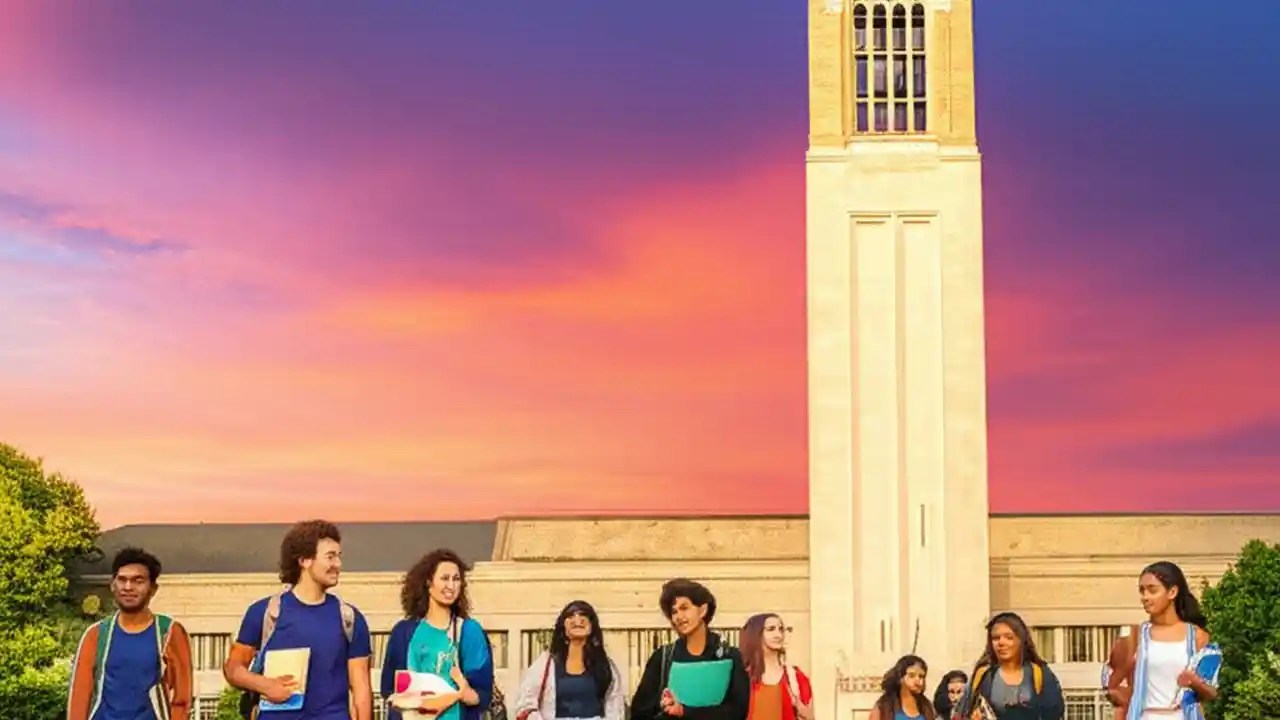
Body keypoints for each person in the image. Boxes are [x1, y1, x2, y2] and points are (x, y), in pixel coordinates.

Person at [223, 519, 374, 720]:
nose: (337, 564)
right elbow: (233, 669)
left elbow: (361, 691)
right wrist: (266, 685)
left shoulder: (350, 619)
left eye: (339, 556)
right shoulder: (266, 612)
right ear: (304, 560)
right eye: (330, 557)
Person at [67, 547, 193, 720]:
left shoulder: (169, 632)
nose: (128, 587)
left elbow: (182, 699)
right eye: (122, 580)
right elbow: (79, 696)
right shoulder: (96, 634)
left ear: (153, 588)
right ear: (112, 586)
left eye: (137, 581)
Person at [380, 548, 495, 720]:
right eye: (444, 578)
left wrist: (464, 694)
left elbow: (483, 695)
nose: (451, 586)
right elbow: (389, 689)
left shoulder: (470, 631)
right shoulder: (403, 632)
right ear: (428, 582)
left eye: (456, 579)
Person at [1104, 562, 1220, 720]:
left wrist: (1195, 682)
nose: (1145, 597)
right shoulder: (1135, 637)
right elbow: (1112, 685)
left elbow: (1211, 691)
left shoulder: (1197, 636)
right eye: (1142, 591)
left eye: (1152, 590)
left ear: (1172, 592)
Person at [629, 578, 750, 720]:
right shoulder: (663, 658)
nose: (679, 617)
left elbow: (738, 711)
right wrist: (663, 707)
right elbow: (639, 712)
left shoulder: (730, 656)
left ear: (703, 610)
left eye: (684, 608)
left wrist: (685, 712)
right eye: (674, 612)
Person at [513, 600, 626, 720]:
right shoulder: (545, 663)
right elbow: (525, 704)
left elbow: (615, 709)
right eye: (571, 616)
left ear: (592, 626)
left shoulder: (605, 666)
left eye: (584, 615)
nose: (578, 620)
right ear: (563, 626)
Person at [958, 612, 1063, 720]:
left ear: (1021, 640)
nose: (1001, 643)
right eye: (996, 638)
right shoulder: (983, 675)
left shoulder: (1039, 673)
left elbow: (1054, 712)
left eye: (1009, 637)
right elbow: (962, 712)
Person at [738, 613, 813, 720]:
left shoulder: (796, 677)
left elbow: (809, 716)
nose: (778, 635)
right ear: (756, 633)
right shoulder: (741, 676)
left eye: (781, 629)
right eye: (771, 629)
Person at [868, 655, 935, 720]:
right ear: (900, 678)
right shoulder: (884, 707)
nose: (918, 681)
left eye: (921, 676)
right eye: (912, 675)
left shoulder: (927, 707)